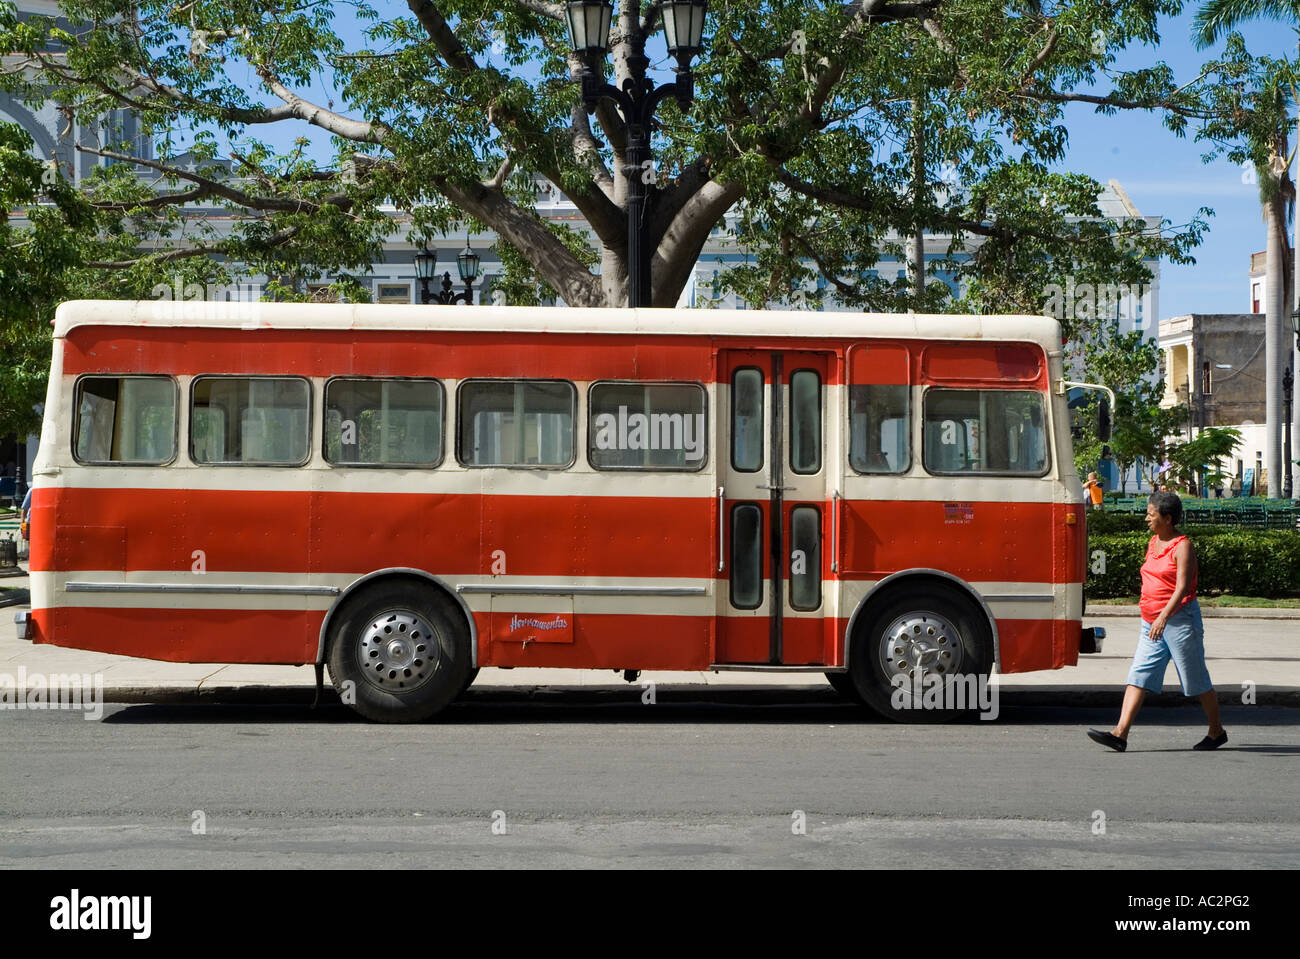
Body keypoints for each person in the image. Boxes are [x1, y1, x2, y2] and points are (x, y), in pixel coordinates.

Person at [1087, 491, 1226, 752]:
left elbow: (1183, 587)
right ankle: (1120, 733)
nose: (1146, 518)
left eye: (1151, 514)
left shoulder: (1183, 546)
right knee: (1139, 674)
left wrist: (1163, 616)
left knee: (1194, 679)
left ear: (1168, 518)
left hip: (1179, 621)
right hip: (1151, 623)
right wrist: (1152, 614)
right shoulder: (1154, 542)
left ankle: (1216, 731)